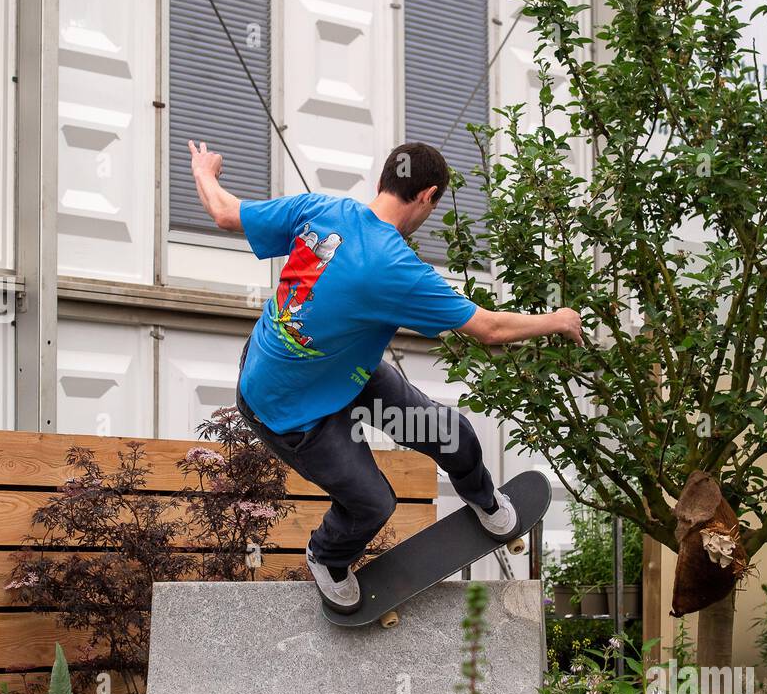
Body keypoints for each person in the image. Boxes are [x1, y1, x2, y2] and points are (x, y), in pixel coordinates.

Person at [189, 138, 582, 612]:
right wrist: (558, 320)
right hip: (287, 411)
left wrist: (205, 172)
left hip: (341, 370)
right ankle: (327, 557)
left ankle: (484, 499)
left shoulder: (320, 208)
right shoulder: (395, 268)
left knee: (448, 433)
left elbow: (226, 214)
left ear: (384, 180)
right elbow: (488, 327)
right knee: (373, 504)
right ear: (426, 196)